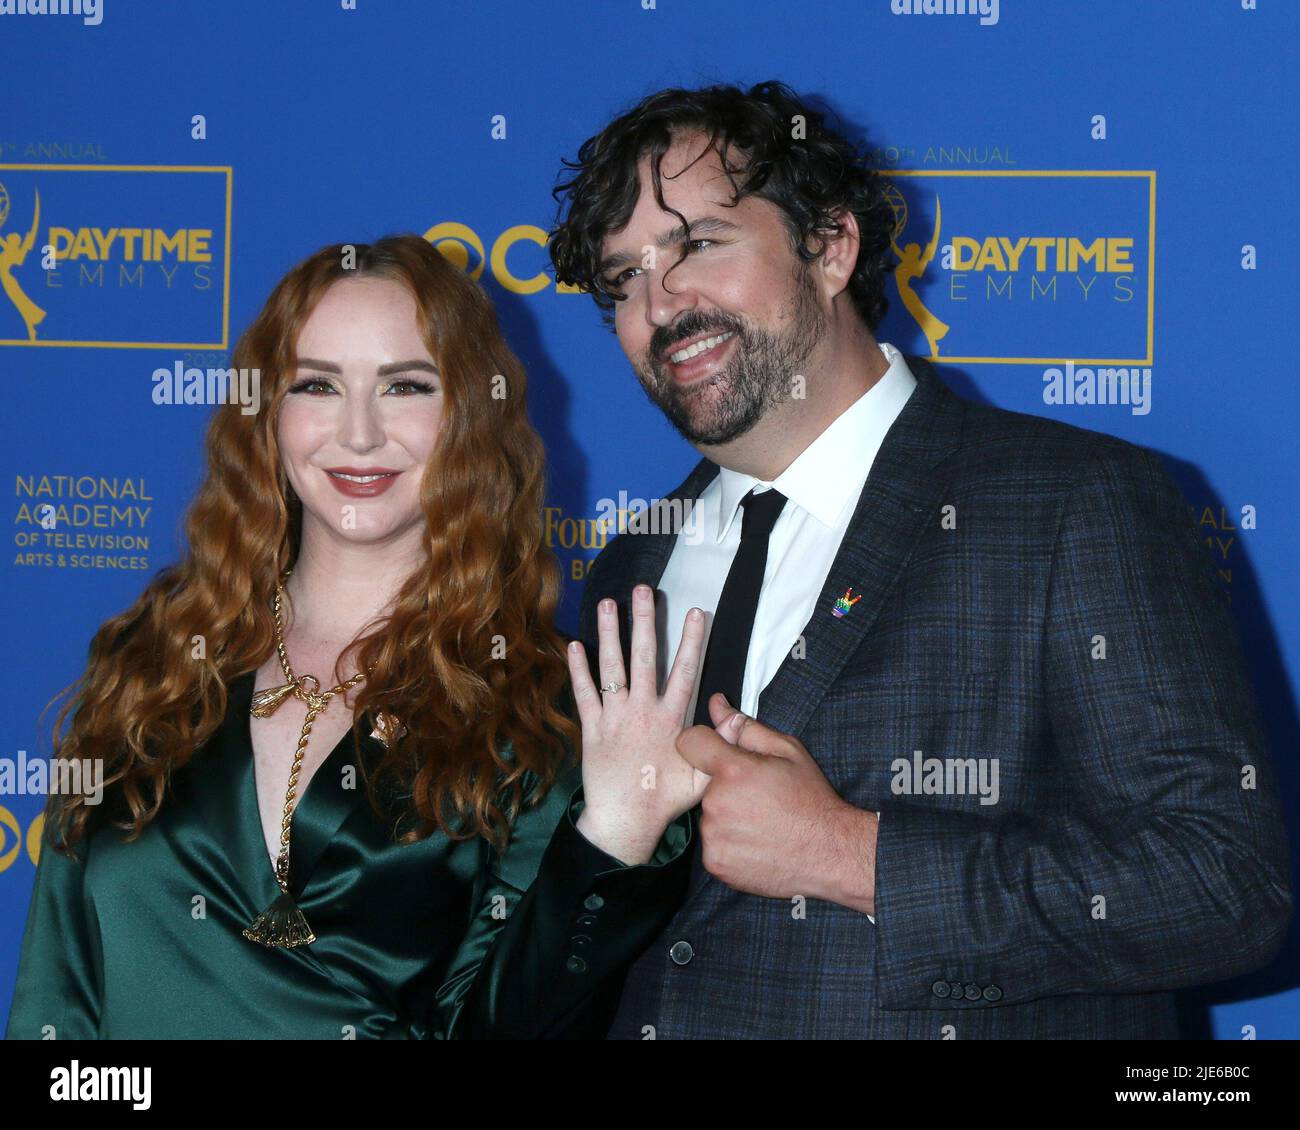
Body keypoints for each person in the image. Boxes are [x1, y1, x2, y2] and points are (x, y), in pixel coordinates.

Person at [544, 80, 1293, 1038]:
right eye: (623, 280)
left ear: (831, 246)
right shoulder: (627, 570)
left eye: (700, 242)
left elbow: (1226, 884)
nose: (660, 301)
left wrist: (849, 855)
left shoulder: (1071, 504)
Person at [4, 234, 696, 1040]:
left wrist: (612, 835)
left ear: (469, 413)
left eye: (405, 386)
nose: (359, 433)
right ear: (270, 411)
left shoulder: (534, 713)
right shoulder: (154, 660)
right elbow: (56, 1001)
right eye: (318, 385)